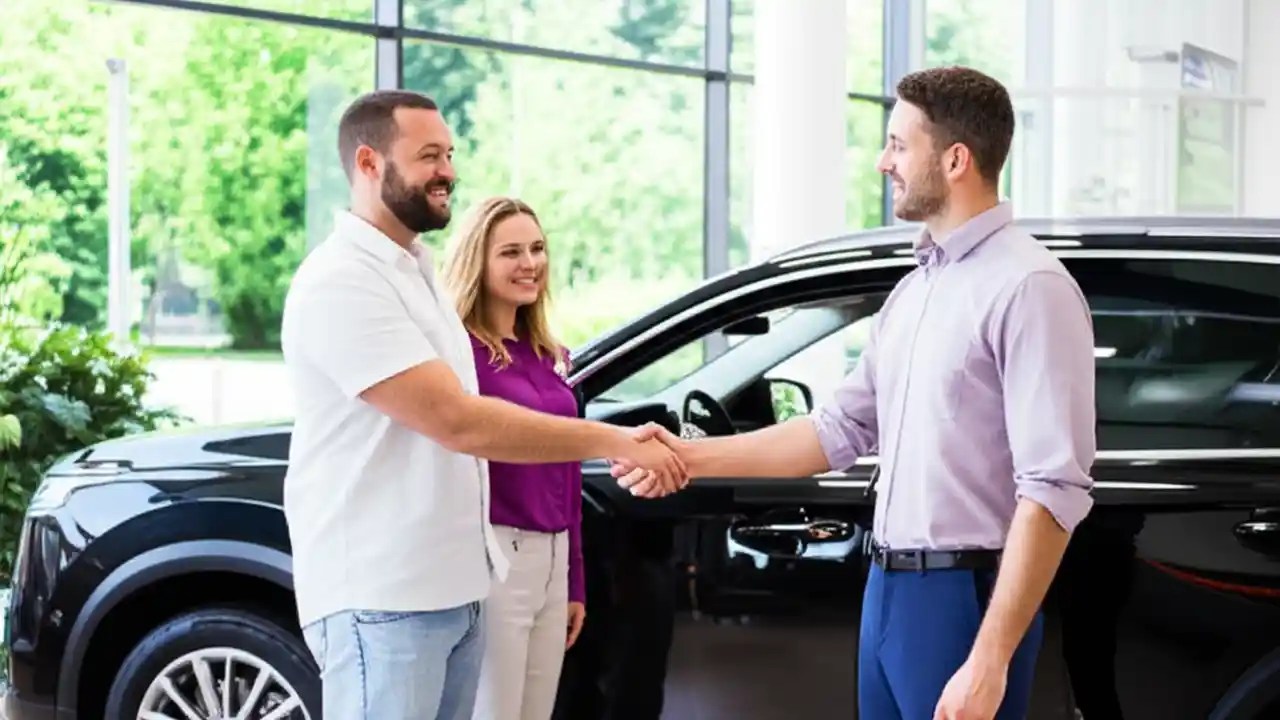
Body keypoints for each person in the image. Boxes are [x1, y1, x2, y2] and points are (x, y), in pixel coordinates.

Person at [613, 66, 1097, 720]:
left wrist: (990, 658)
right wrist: (684, 456)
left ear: (955, 159)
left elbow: (1053, 487)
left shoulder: (1029, 287)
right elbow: (833, 432)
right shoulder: (915, 289)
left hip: (965, 599)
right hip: (889, 592)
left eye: (899, 144)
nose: (882, 162)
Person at [279, 89, 687, 720]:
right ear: (368, 164)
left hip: (454, 591)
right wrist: (614, 441)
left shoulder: (416, 272)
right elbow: (456, 420)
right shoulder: (342, 280)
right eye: (428, 156)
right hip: (382, 597)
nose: (447, 171)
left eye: (449, 154)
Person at [438, 196, 585, 720]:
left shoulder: (549, 354)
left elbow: (566, 470)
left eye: (538, 249)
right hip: (498, 556)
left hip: (554, 558)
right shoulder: (459, 354)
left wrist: (574, 580)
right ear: (478, 260)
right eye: (511, 252)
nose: (530, 264)